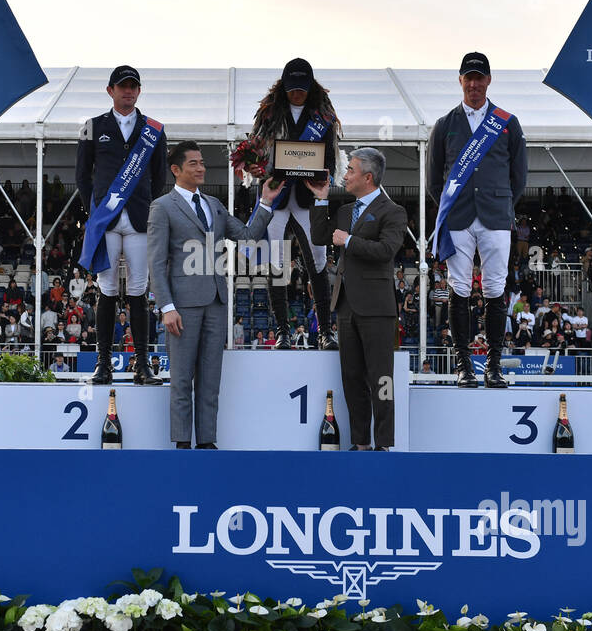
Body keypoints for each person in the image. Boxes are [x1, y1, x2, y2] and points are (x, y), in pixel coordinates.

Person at [148, 141, 278, 449]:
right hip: (181, 305)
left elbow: (246, 237)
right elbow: (155, 261)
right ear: (176, 169)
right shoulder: (162, 207)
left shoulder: (213, 205)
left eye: (202, 162)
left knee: (210, 382)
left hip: (217, 302)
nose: (201, 167)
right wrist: (166, 306)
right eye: (193, 163)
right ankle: (181, 444)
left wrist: (266, 202)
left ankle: (207, 443)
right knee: (181, 380)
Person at [425, 52, 527, 387]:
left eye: (479, 78)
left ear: (488, 80)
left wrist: (502, 203)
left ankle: (494, 365)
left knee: (496, 290)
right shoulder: (444, 124)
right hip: (459, 217)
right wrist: (450, 206)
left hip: (495, 216)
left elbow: (519, 177)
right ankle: (463, 366)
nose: (474, 84)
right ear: (460, 81)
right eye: (468, 78)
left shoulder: (507, 123)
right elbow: (433, 180)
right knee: (460, 289)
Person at [77, 66, 169, 386]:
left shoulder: (153, 129)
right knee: (107, 289)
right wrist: (94, 210)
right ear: (110, 90)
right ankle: (104, 364)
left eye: (133, 87)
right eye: (122, 86)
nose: (128, 91)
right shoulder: (91, 127)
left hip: (140, 219)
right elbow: (82, 175)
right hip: (106, 217)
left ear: (139, 92)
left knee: (138, 291)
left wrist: (151, 207)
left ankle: (141, 364)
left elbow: (160, 177)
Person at [309, 147, 405, 451]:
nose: (345, 175)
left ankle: (384, 443)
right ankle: (360, 442)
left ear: (368, 176)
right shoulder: (344, 210)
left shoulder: (393, 211)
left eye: (350, 170)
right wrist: (321, 197)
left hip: (377, 308)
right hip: (346, 305)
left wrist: (349, 240)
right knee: (351, 378)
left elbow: (386, 251)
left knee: (381, 379)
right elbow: (320, 235)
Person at [246, 58, 340, 350]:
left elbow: (330, 157)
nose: (296, 94)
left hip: (307, 196)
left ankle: (325, 330)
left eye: (301, 88)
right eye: (292, 89)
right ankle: (282, 331)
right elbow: (255, 150)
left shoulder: (322, 116)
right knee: (275, 263)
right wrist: (255, 168)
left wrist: (325, 178)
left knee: (318, 261)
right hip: (277, 193)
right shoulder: (269, 113)